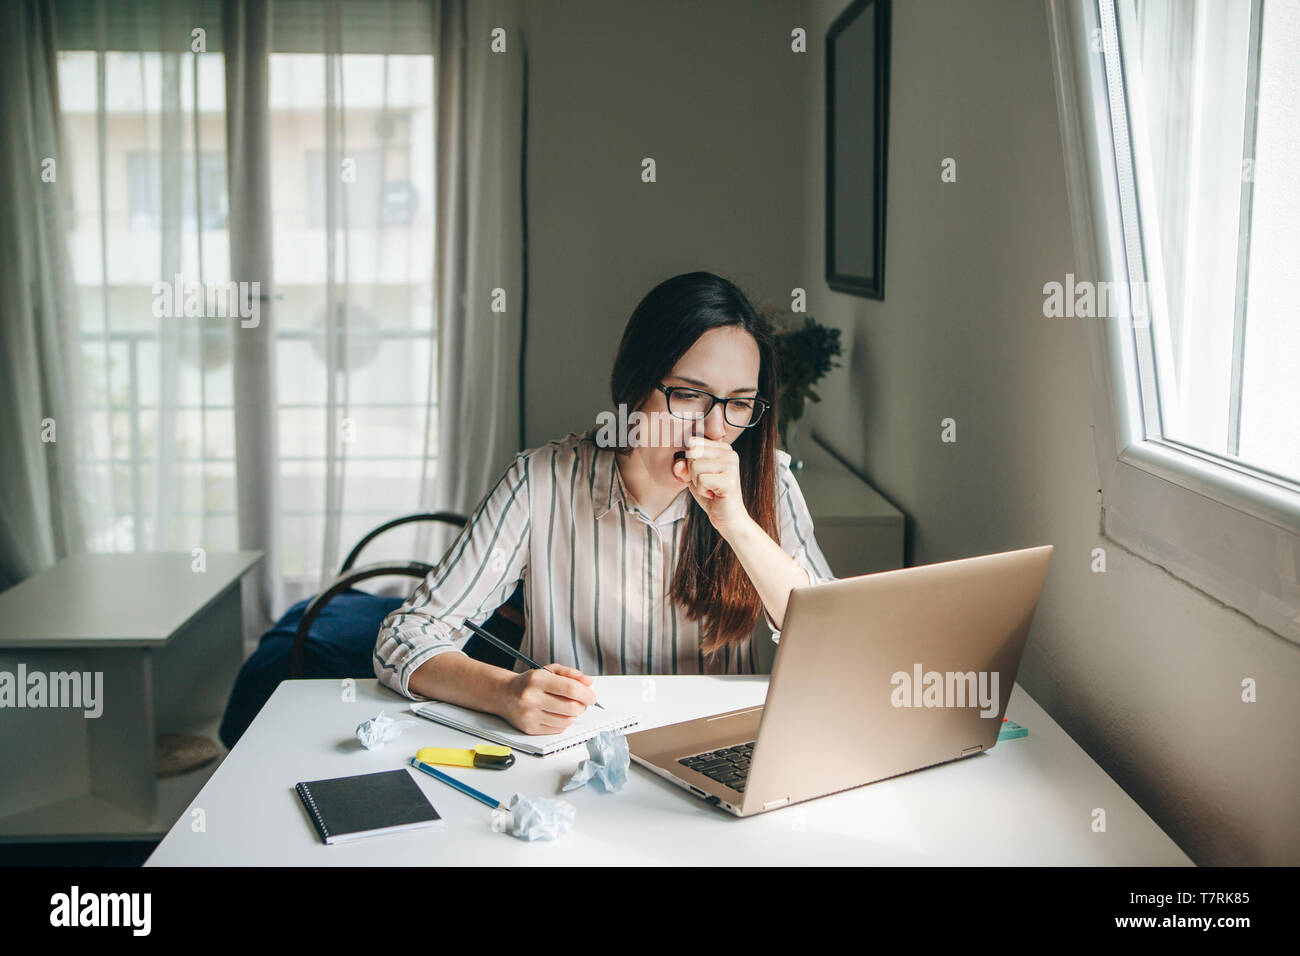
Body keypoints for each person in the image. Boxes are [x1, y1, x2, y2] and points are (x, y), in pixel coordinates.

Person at [374, 270, 834, 734]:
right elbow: (403, 637)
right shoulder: (540, 482)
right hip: (571, 749)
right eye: (690, 396)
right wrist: (504, 692)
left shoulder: (768, 480)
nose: (714, 431)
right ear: (634, 386)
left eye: (738, 403)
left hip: (714, 745)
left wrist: (737, 524)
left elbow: (833, 643)